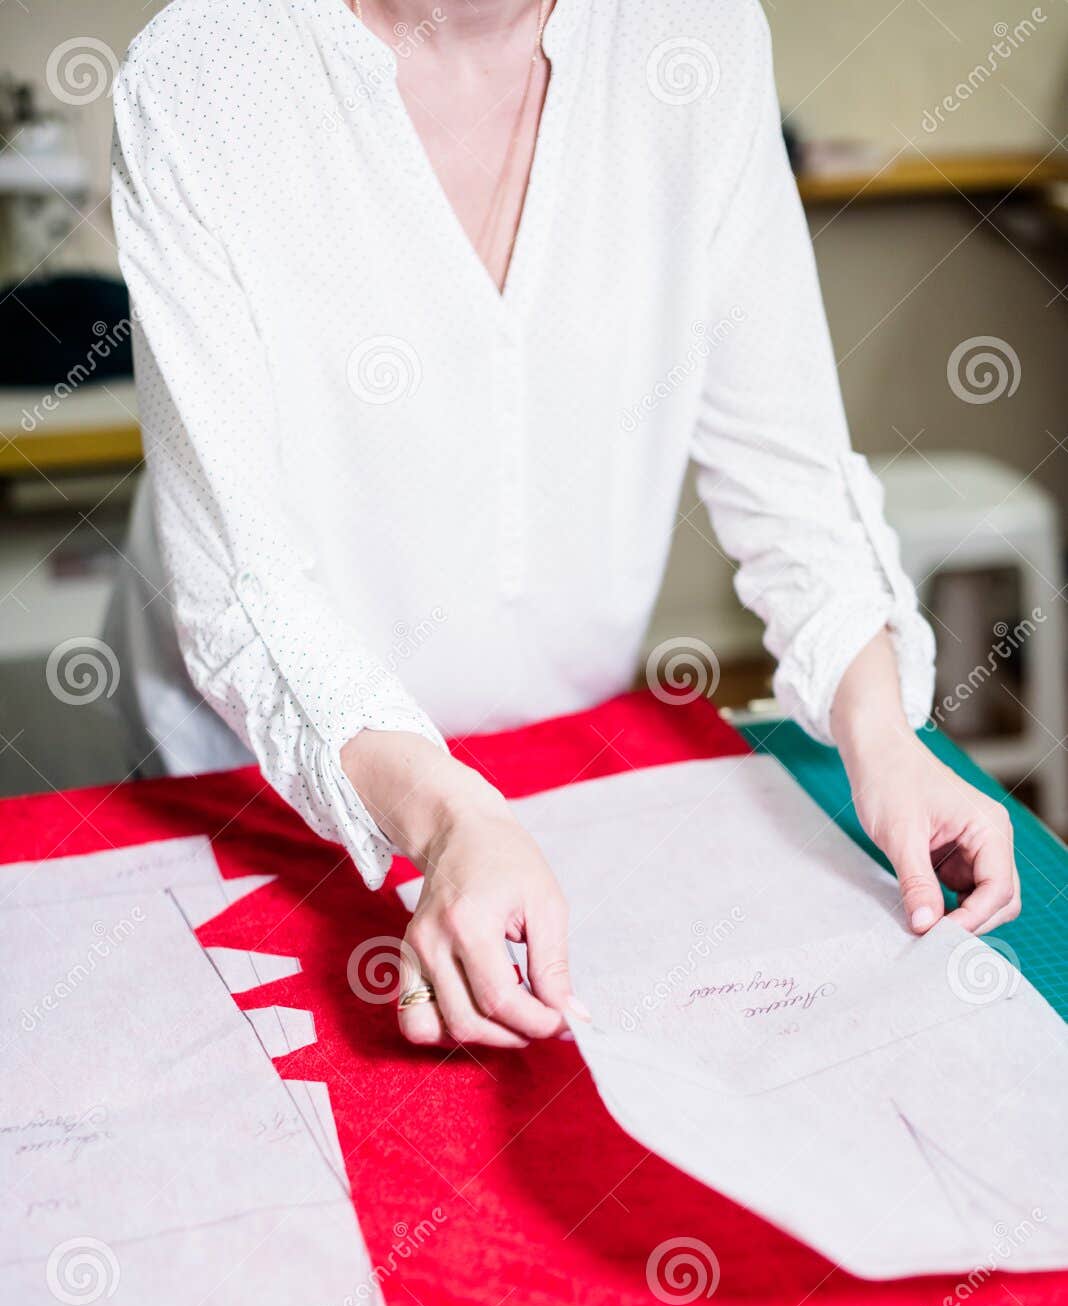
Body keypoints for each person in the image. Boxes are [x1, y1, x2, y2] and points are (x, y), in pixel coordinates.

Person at [107, 0, 1020, 1051]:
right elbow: (244, 588)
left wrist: (883, 737)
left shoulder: (697, 37)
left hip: (557, 752)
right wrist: (450, 816)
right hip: (273, 759)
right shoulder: (204, 73)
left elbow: (790, 474)